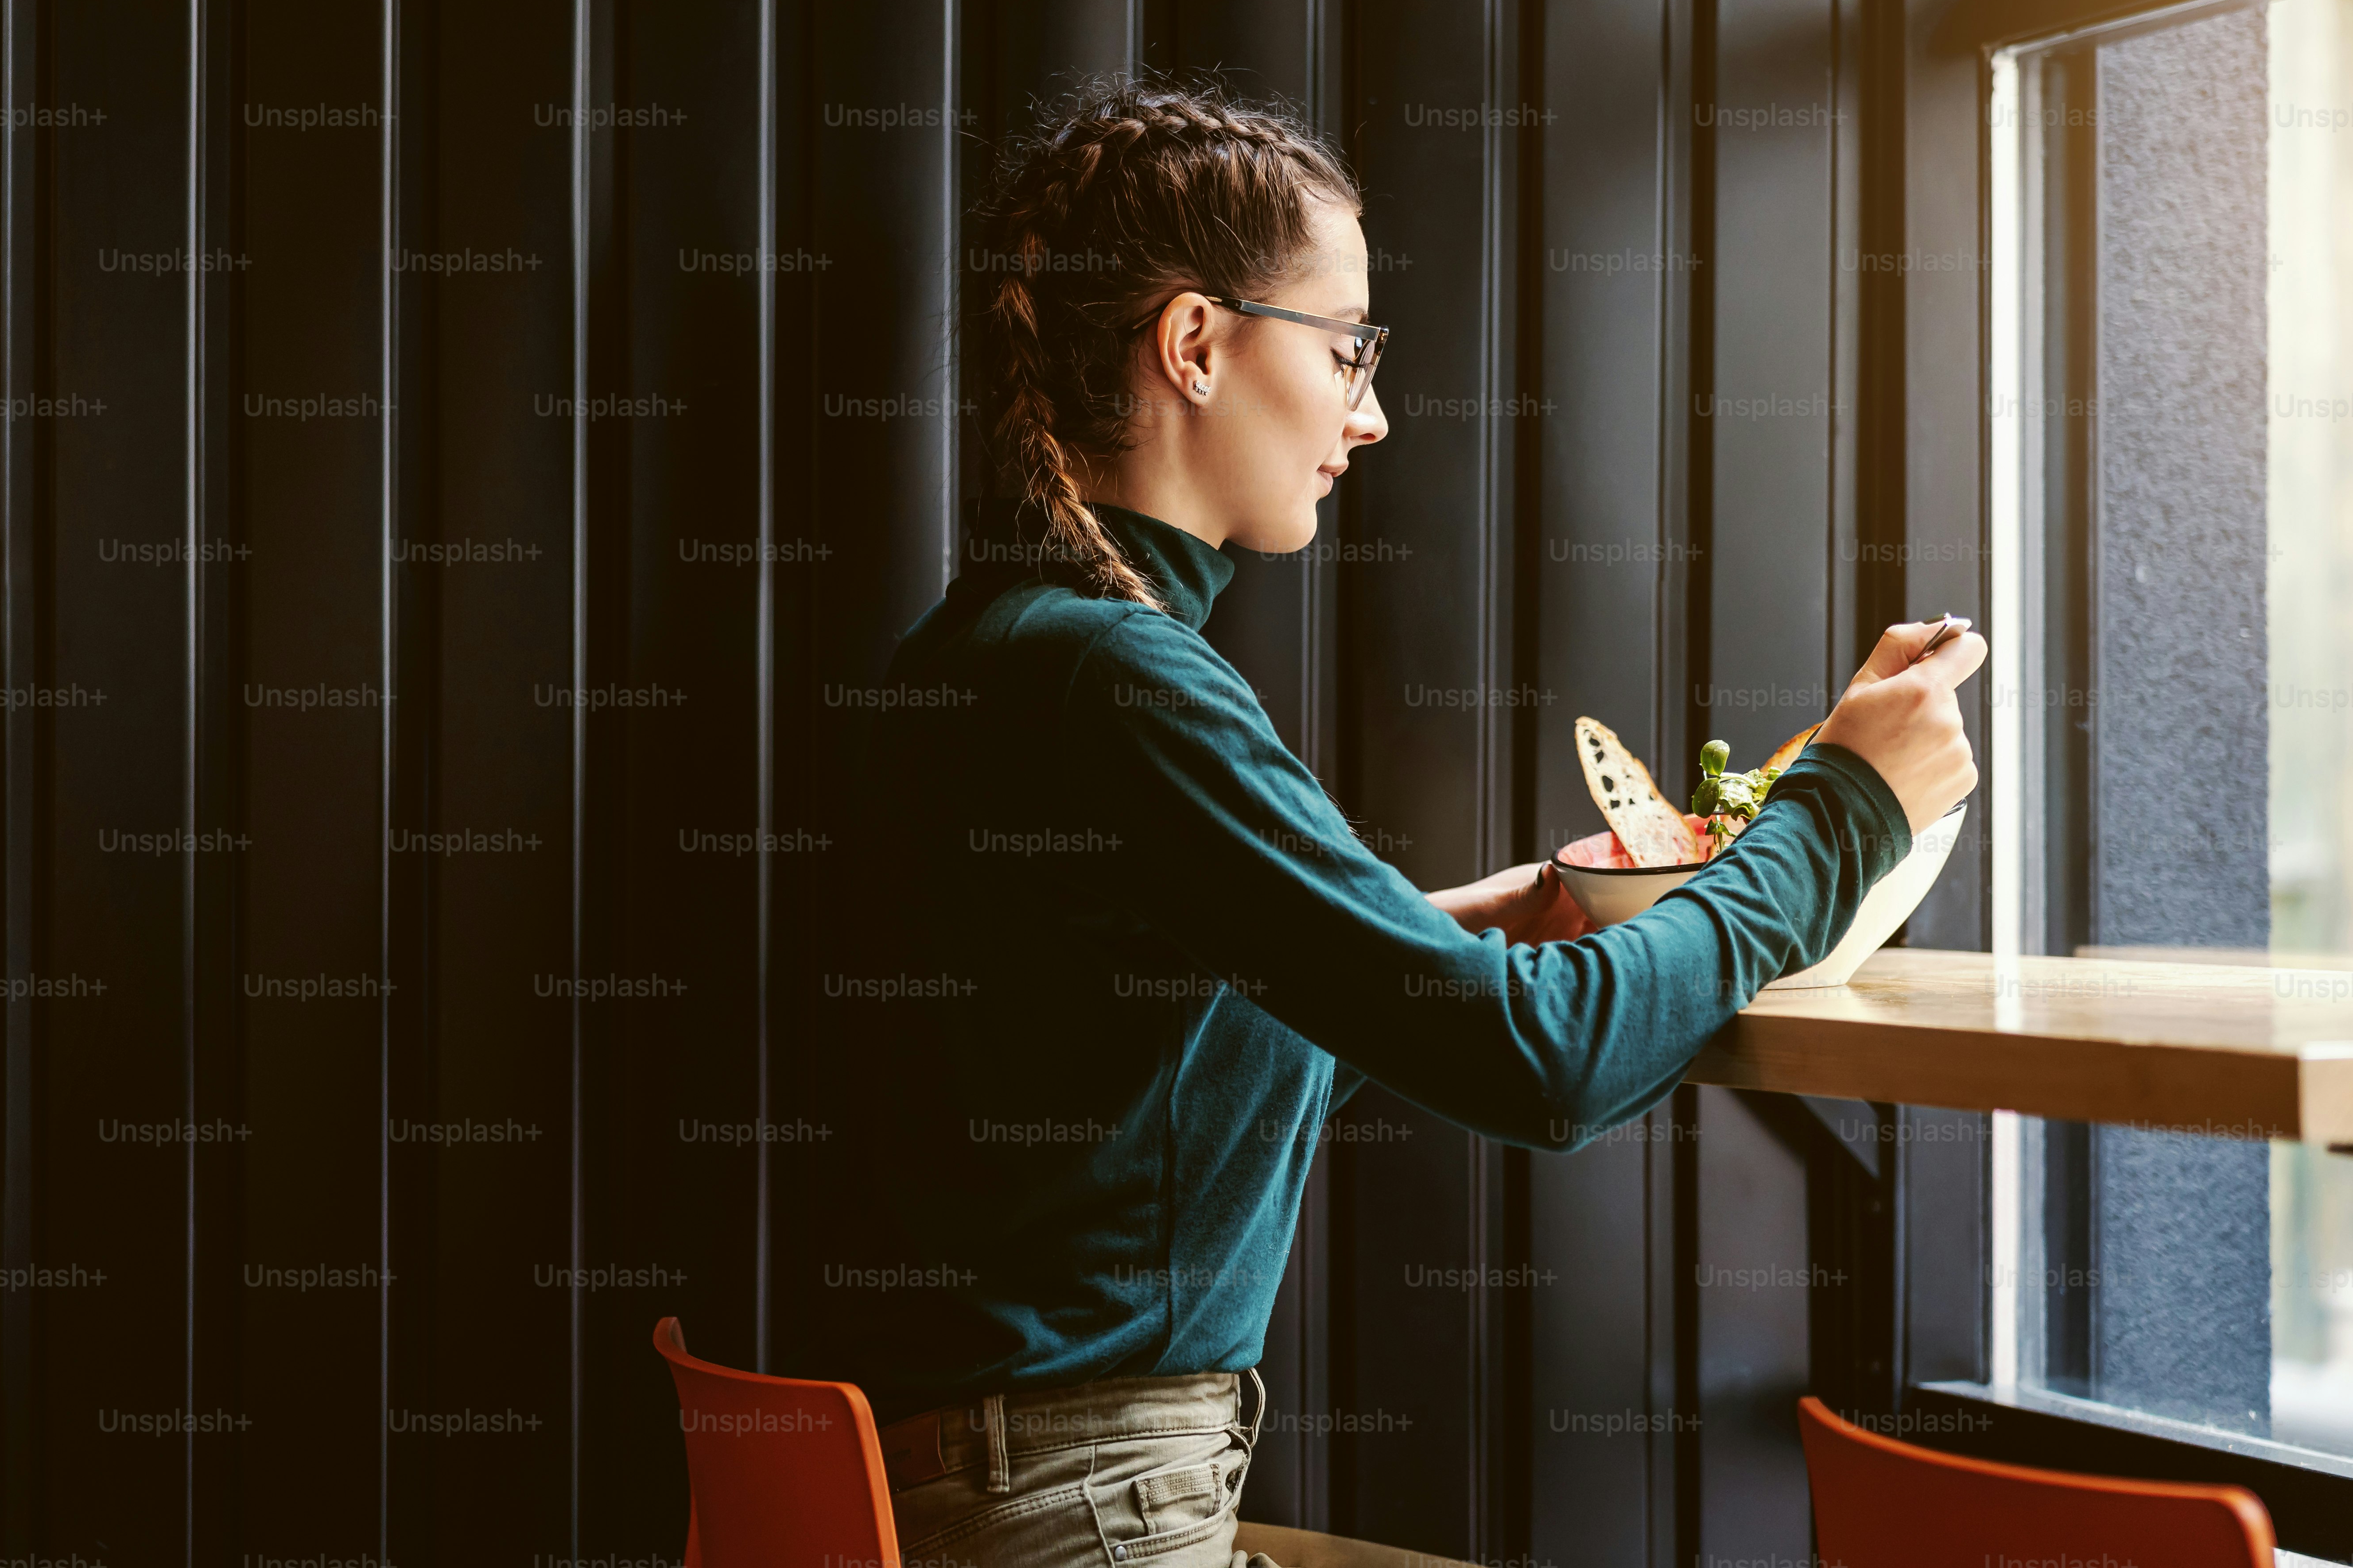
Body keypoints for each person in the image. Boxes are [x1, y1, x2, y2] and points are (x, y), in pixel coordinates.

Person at [823, 79, 1982, 1568]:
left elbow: (1123, 1085)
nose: (1369, 412)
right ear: (1194, 345)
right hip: (1077, 1511)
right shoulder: (1117, 680)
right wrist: (1839, 815)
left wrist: (1437, 940)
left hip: (980, 1491)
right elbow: (1548, 1067)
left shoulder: (985, 647)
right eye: (1348, 346)